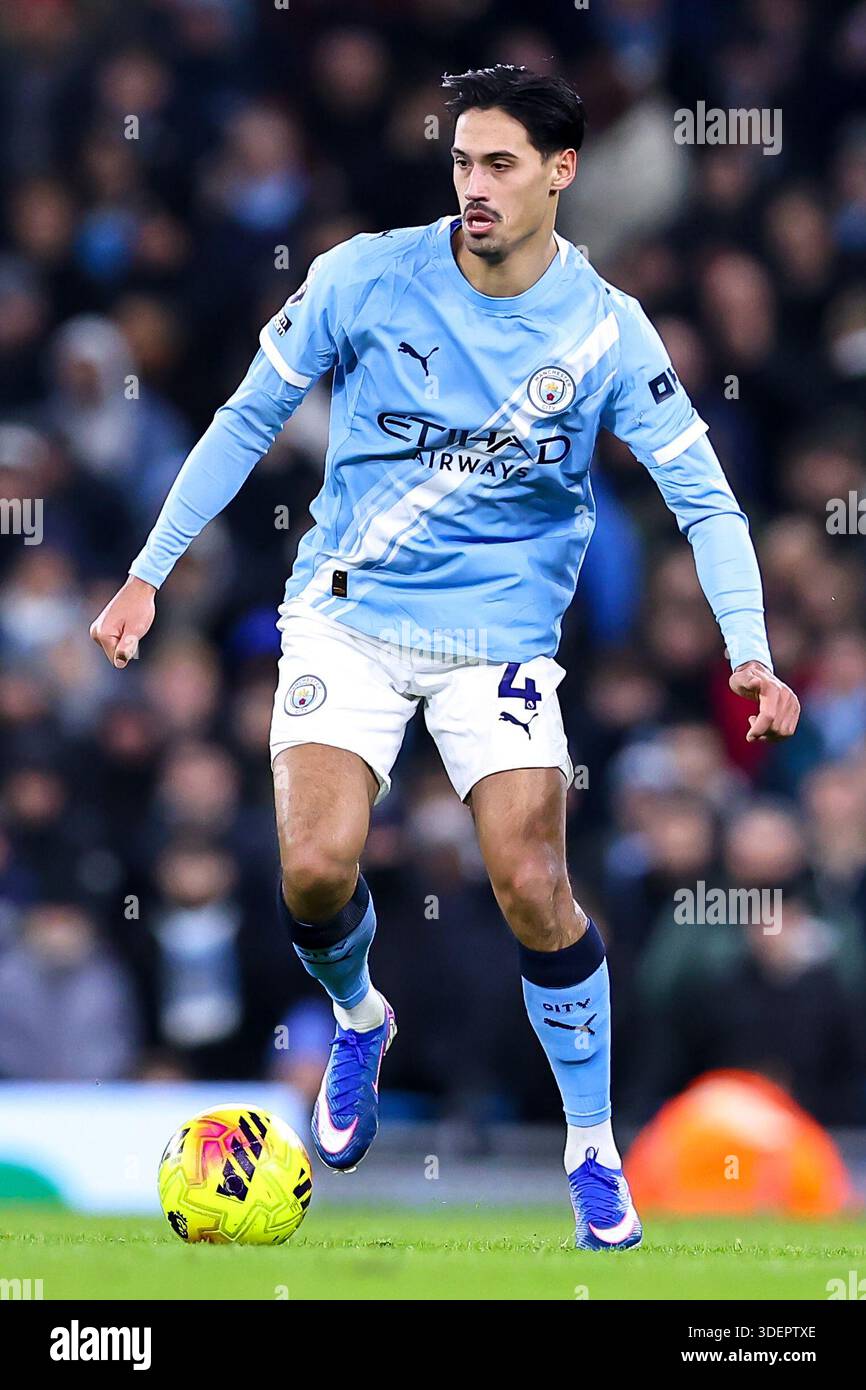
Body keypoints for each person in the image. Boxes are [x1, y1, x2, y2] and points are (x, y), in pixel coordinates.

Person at [90, 65, 800, 1250]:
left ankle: (588, 1146)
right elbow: (246, 415)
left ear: (561, 172)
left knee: (530, 881)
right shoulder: (364, 274)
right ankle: (360, 1016)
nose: (472, 186)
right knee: (314, 870)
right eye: (462, 161)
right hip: (347, 612)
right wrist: (148, 573)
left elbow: (706, 497)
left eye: (500, 164)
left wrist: (748, 649)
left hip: (498, 639)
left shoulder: (606, 331)